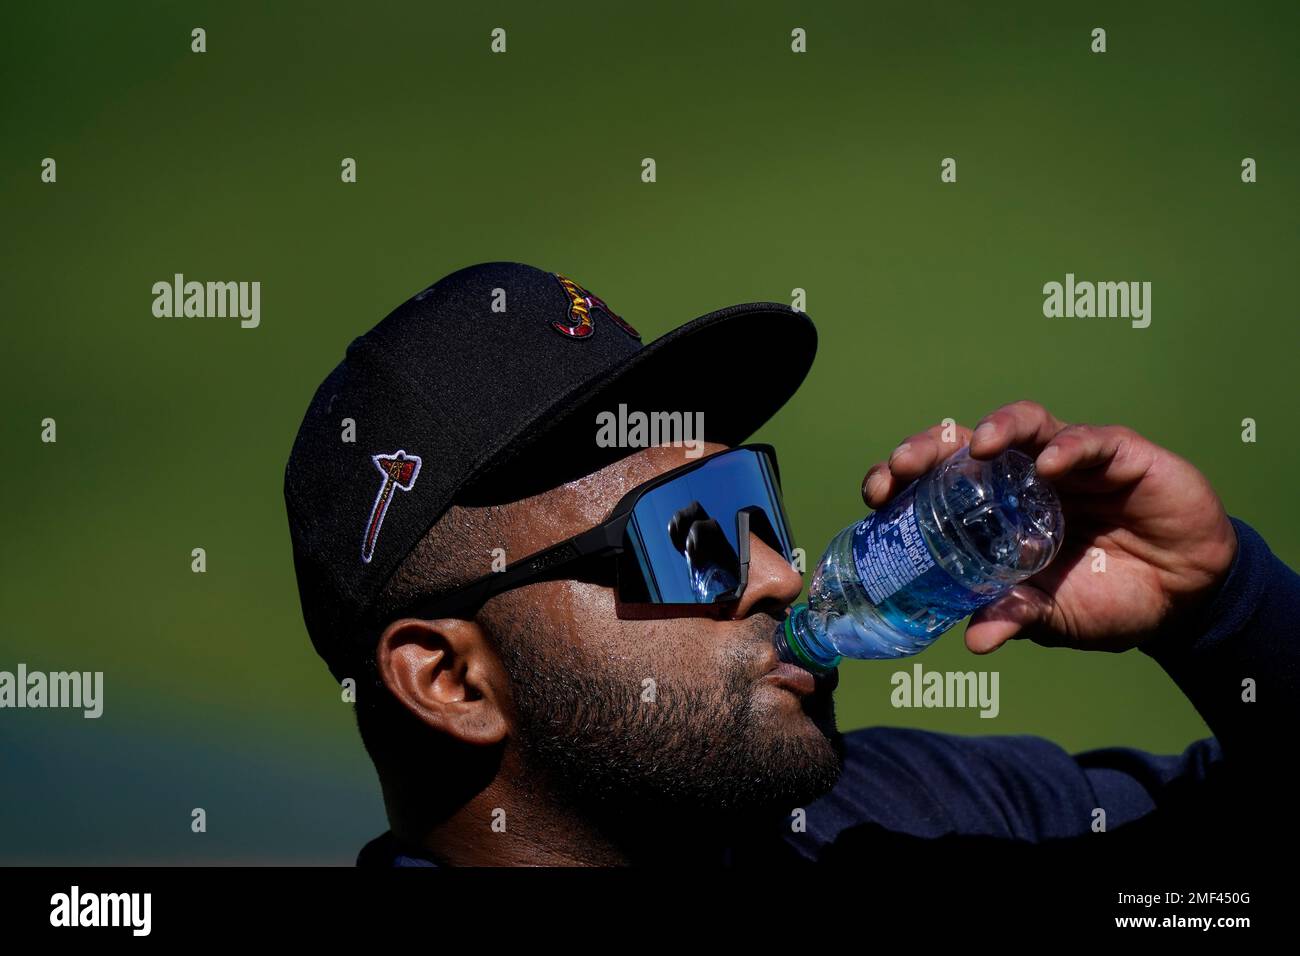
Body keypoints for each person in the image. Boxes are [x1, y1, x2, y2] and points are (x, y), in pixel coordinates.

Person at [282, 261, 1297, 867]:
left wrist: (1223, 607)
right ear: (451, 676)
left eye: (749, 505)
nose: (776, 571)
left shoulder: (915, 819)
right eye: (687, 533)